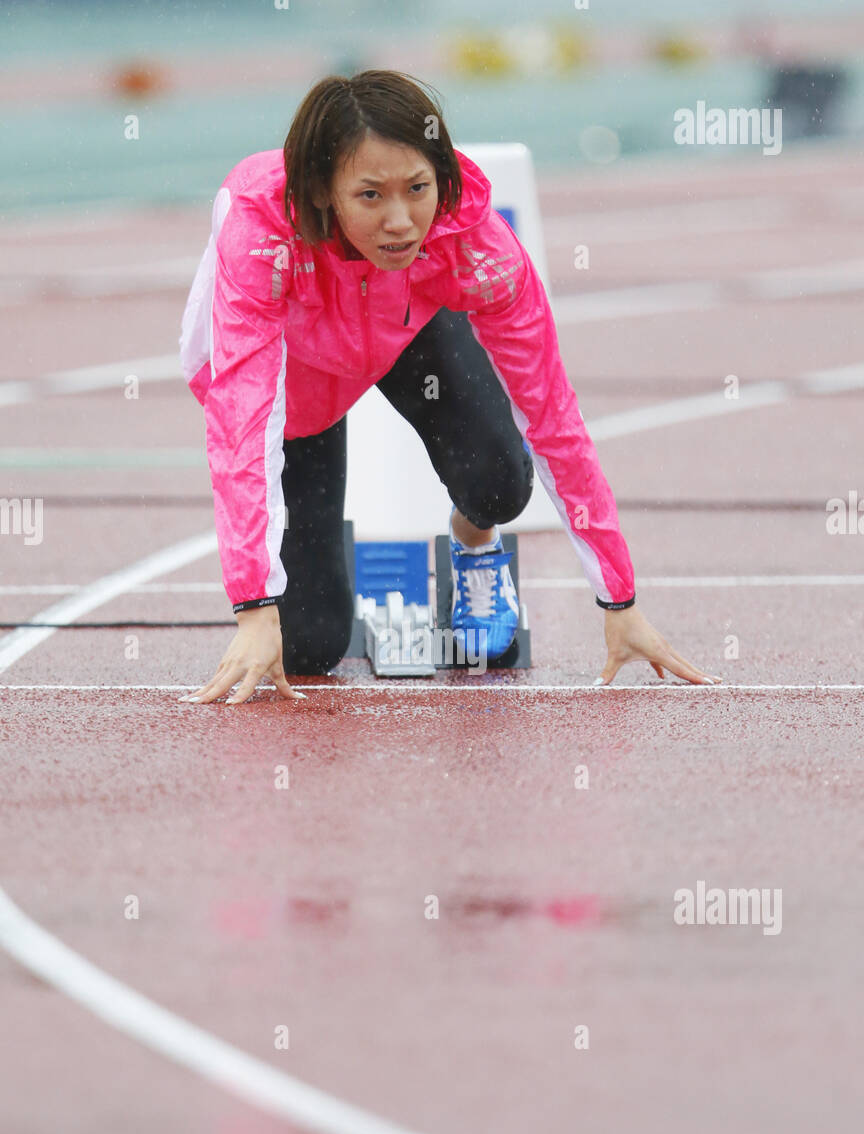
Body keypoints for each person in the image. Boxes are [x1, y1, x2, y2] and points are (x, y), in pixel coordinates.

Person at [178, 69, 719, 705]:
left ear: (442, 178)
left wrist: (619, 597)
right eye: (370, 196)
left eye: (417, 189)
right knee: (307, 647)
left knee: (501, 483)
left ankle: (474, 547)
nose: (402, 221)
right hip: (298, 378)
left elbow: (549, 413)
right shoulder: (261, 226)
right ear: (324, 193)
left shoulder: (473, 241)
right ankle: (309, 571)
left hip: (410, 333)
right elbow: (243, 426)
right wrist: (253, 605)